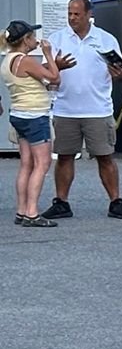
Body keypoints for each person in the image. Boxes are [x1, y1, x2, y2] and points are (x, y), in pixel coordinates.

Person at [42, 0, 122, 220]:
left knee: (105, 157)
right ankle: (61, 202)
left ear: (88, 14)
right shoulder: (58, 38)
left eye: (77, 14)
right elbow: (43, 71)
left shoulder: (105, 39)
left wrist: (120, 75)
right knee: (64, 157)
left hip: (98, 109)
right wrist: (57, 66)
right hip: (66, 109)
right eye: (70, 13)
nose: (72, 18)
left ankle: (116, 201)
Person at [3, 20, 67, 226]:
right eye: (32, 37)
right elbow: (55, 78)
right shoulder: (27, 61)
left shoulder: (8, 59)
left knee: (26, 164)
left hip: (19, 113)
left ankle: (22, 210)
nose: (36, 41)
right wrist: (49, 54)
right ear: (25, 40)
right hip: (34, 115)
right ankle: (32, 212)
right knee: (43, 163)